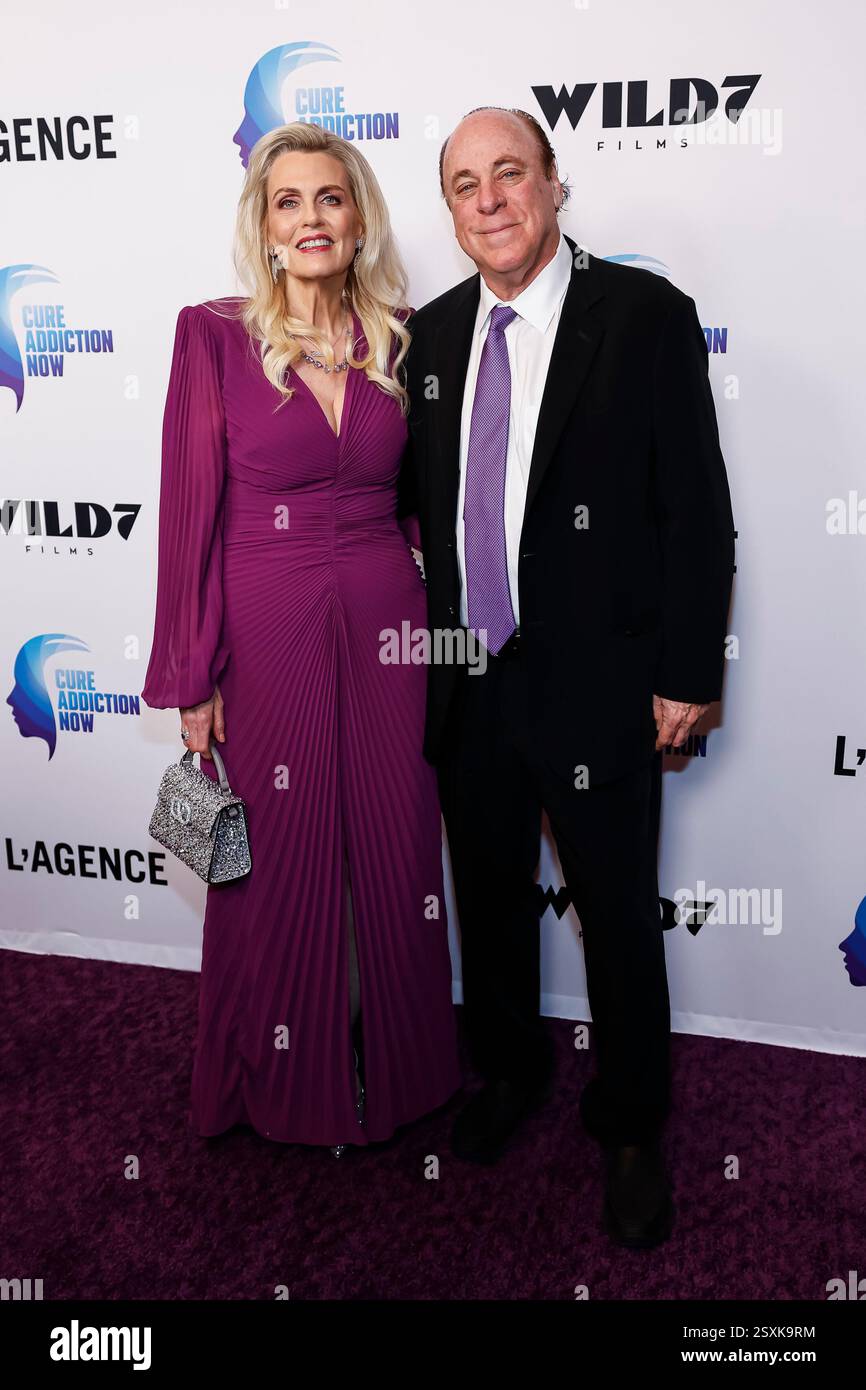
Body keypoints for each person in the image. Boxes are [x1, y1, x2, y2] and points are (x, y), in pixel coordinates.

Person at [400, 106, 735, 1246]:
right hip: (468, 672)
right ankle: (507, 1068)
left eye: (508, 174)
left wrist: (688, 669)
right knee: (487, 896)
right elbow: (423, 512)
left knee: (613, 913)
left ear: (552, 183)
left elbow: (692, 508)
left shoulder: (641, 317)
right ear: (447, 211)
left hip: (599, 681)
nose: (488, 200)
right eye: (462, 184)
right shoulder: (431, 338)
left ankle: (631, 1120)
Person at [141, 122, 461, 1154]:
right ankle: (278, 1077)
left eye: (330, 197)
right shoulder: (213, 334)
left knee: (398, 837)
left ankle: (402, 1065)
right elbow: (191, 511)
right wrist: (193, 675)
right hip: (266, 626)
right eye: (289, 201)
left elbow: (425, 503)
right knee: (274, 858)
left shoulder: (404, 336)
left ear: (358, 217)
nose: (312, 217)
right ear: (264, 225)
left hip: (386, 627)